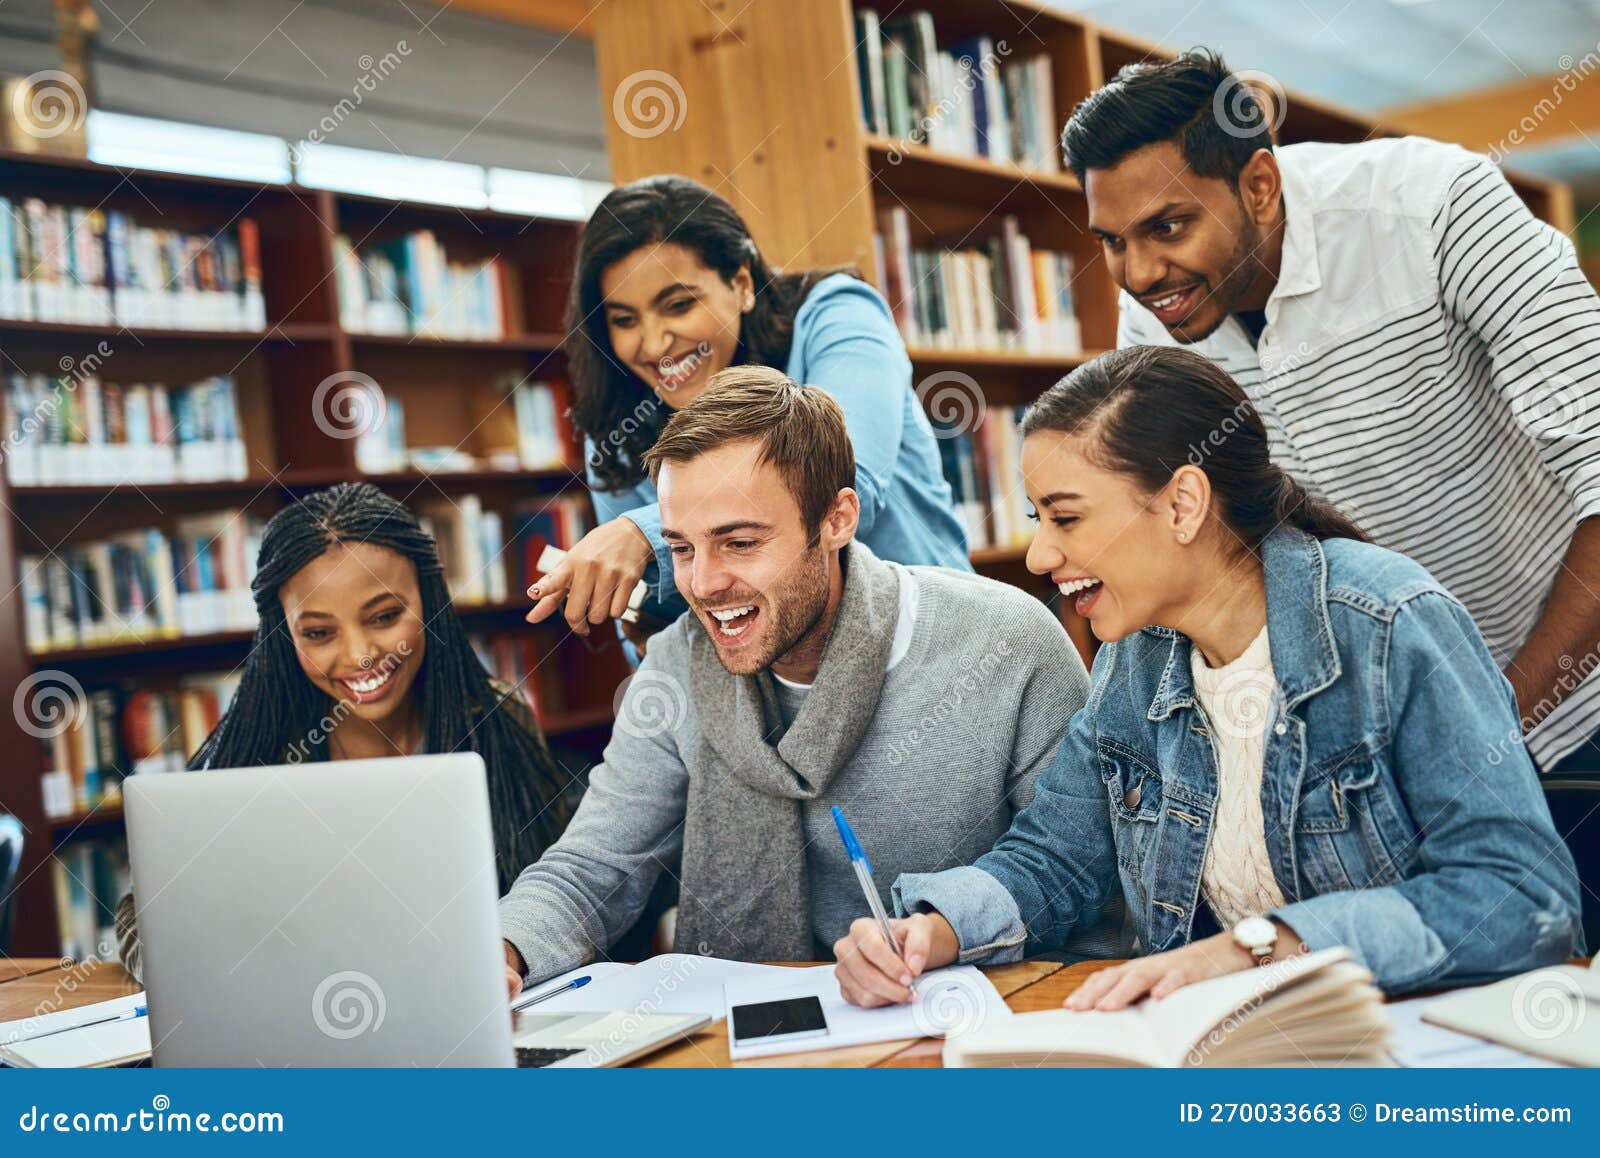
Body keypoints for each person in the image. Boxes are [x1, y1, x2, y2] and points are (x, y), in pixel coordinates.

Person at [833, 346, 1583, 1010]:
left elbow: (1523, 899)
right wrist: (933, 931)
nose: (1039, 556)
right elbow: (1057, 857)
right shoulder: (1135, 658)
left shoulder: (1390, 624)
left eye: (1066, 518)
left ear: (1184, 504)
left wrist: (1257, 947)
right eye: (1037, 519)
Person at [1064, 49, 1600, 779]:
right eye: (1112, 241)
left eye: (1168, 227)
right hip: (1387, 750)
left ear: (1258, 186)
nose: (1139, 274)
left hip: (1575, 696)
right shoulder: (1156, 322)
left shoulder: (1436, 206)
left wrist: (1491, 732)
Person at [499, 366, 1111, 997]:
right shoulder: (677, 664)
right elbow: (594, 866)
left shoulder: (1006, 642)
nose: (703, 585)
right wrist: (504, 950)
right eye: (681, 548)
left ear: (837, 519)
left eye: (740, 543)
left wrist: (939, 928)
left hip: (972, 1019)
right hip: (761, 1029)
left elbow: (1073, 866)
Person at [114, 482, 576, 981]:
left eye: (384, 616)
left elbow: (558, 883)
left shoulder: (496, 716)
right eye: (318, 633)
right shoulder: (264, 746)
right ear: (283, 633)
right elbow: (145, 915)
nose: (360, 656)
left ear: (429, 600)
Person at [528, 174, 969, 651]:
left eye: (678, 305)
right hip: (771, 681)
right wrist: (648, 628)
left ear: (740, 282)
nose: (653, 345)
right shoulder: (619, 417)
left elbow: (848, 479)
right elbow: (657, 622)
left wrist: (646, 534)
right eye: (624, 319)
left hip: (932, 643)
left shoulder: (836, 315)